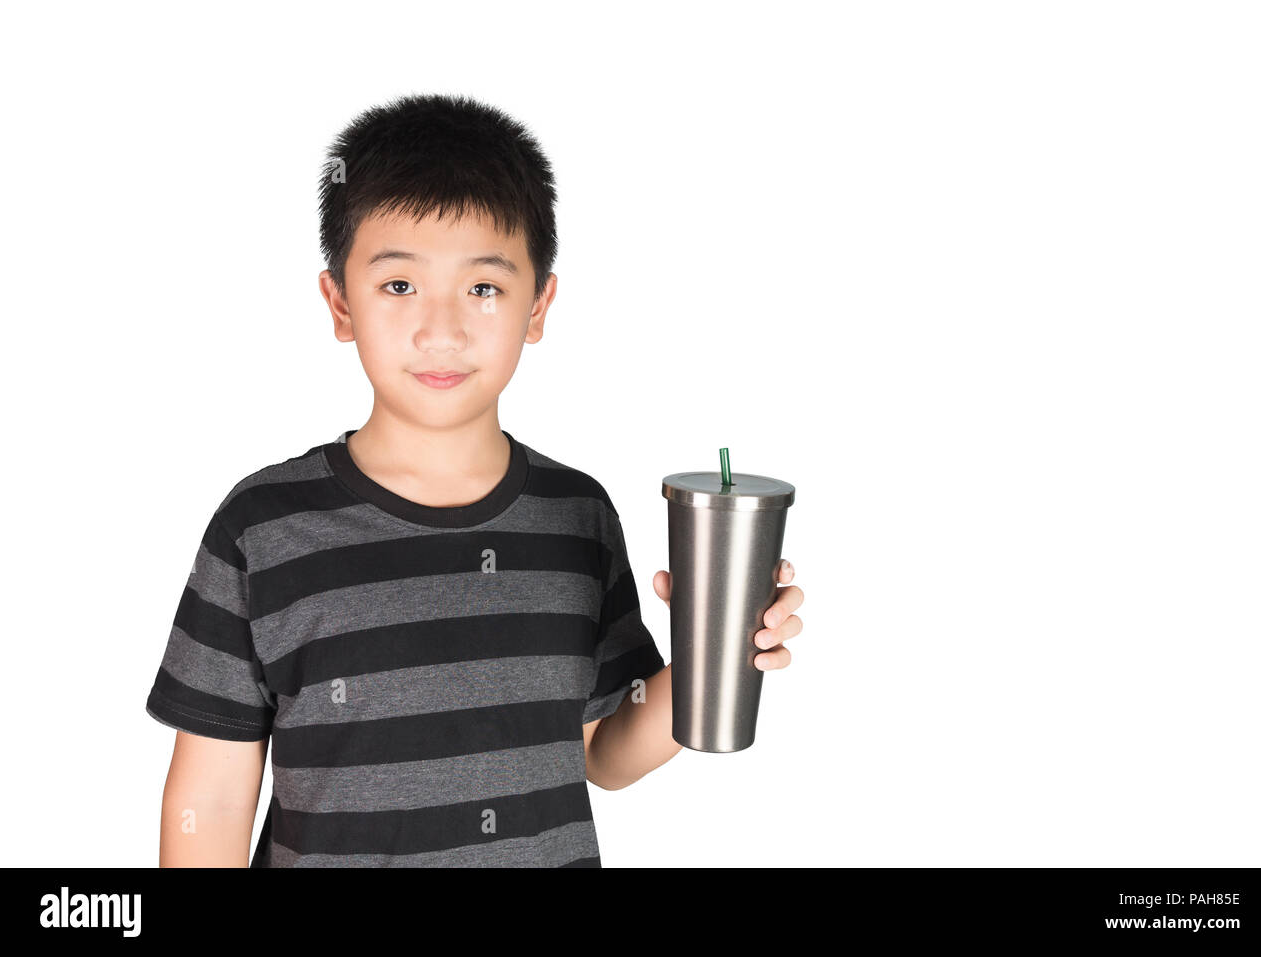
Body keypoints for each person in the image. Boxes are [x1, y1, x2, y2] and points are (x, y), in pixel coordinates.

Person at [145, 92, 805, 867]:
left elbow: (608, 750)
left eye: (484, 287)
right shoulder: (262, 527)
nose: (442, 329)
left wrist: (715, 645)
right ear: (339, 302)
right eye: (399, 285)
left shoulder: (576, 516)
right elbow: (211, 798)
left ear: (538, 305)